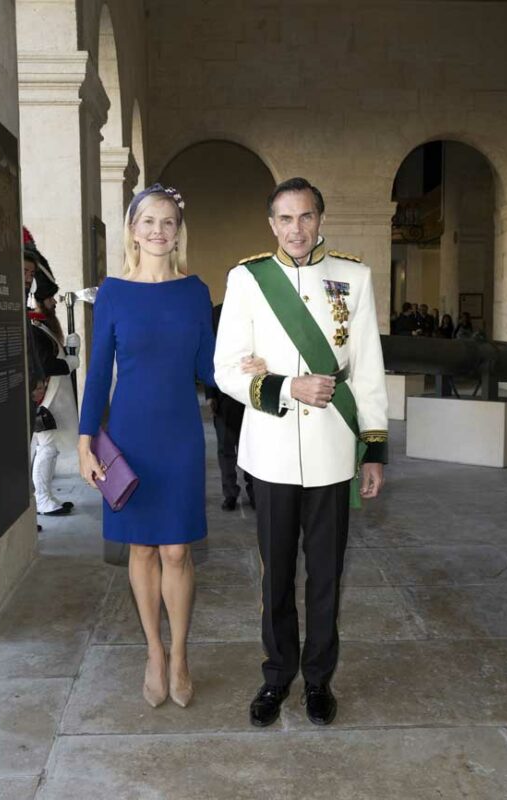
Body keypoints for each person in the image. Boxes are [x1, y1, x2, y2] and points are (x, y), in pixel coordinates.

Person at [77, 184, 263, 710]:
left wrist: (244, 368)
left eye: (168, 222)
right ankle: (153, 653)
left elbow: (207, 368)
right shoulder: (113, 291)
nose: (158, 231)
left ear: (178, 231)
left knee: (177, 550)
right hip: (130, 435)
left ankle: (181, 655)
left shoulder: (194, 291)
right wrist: (85, 440)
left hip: (180, 435)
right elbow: (97, 376)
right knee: (141, 548)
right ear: (133, 230)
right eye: (148, 222)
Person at [214, 177, 388, 729]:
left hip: (334, 447)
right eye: (285, 219)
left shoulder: (353, 277)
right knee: (276, 575)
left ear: (321, 219)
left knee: (326, 573)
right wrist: (286, 386)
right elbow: (225, 369)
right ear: (271, 224)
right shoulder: (246, 280)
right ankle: (276, 676)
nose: (296, 229)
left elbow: (367, 370)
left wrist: (374, 450)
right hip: (269, 450)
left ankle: (318, 679)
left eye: (306, 217)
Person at [24, 227, 79, 517]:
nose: (54, 302)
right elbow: (43, 365)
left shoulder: (40, 325)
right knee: (46, 449)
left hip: (48, 396)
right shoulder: (35, 326)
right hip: (42, 397)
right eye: (50, 298)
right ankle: (43, 500)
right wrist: (69, 362)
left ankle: (43, 497)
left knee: (46, 448)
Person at [208, 300, 255, 512]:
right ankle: (230, 494)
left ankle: (254, 492)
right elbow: (210, 353)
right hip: (224, 394)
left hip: (251, 392)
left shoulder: (255, 308)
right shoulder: (216, 314)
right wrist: (210, 394)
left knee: (251, 446)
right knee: (225, 448)